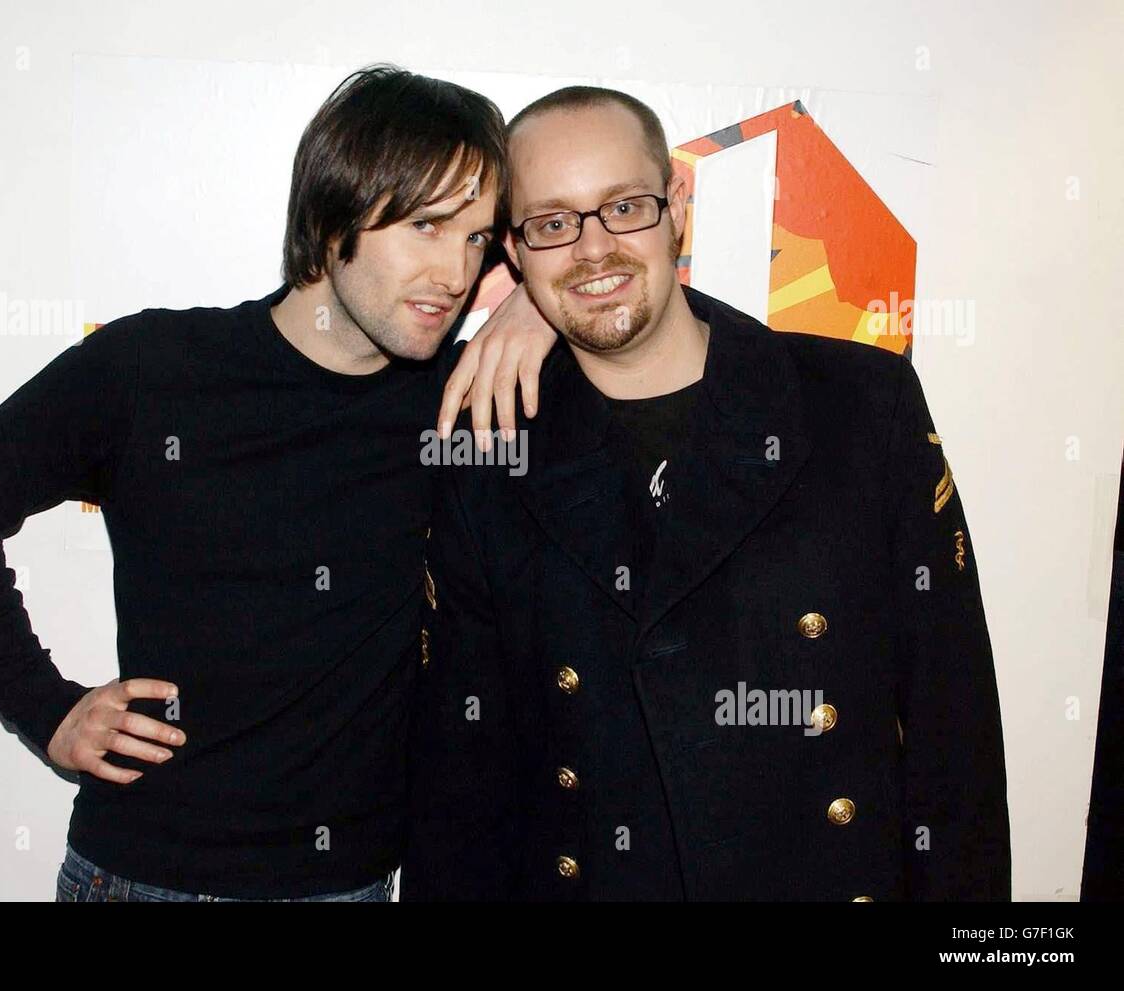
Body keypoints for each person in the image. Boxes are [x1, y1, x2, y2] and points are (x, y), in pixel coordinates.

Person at [0, 65, 556, 903]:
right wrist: (47, 710)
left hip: (348, 885)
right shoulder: (151, 370)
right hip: (140, 876)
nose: (455, 272)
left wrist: (543, 304)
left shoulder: (465, 397)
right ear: (331, 220)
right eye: (427, 226)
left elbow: (664, 343)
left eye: (476, 238)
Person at [403, 85, 1011, 901]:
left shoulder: (861, 404)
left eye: (623, 207)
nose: (592, 250)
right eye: (553, 223)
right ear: (516, 253)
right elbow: (463, 782)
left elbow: (953, 723)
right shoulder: (488, 446)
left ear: (677, 207)